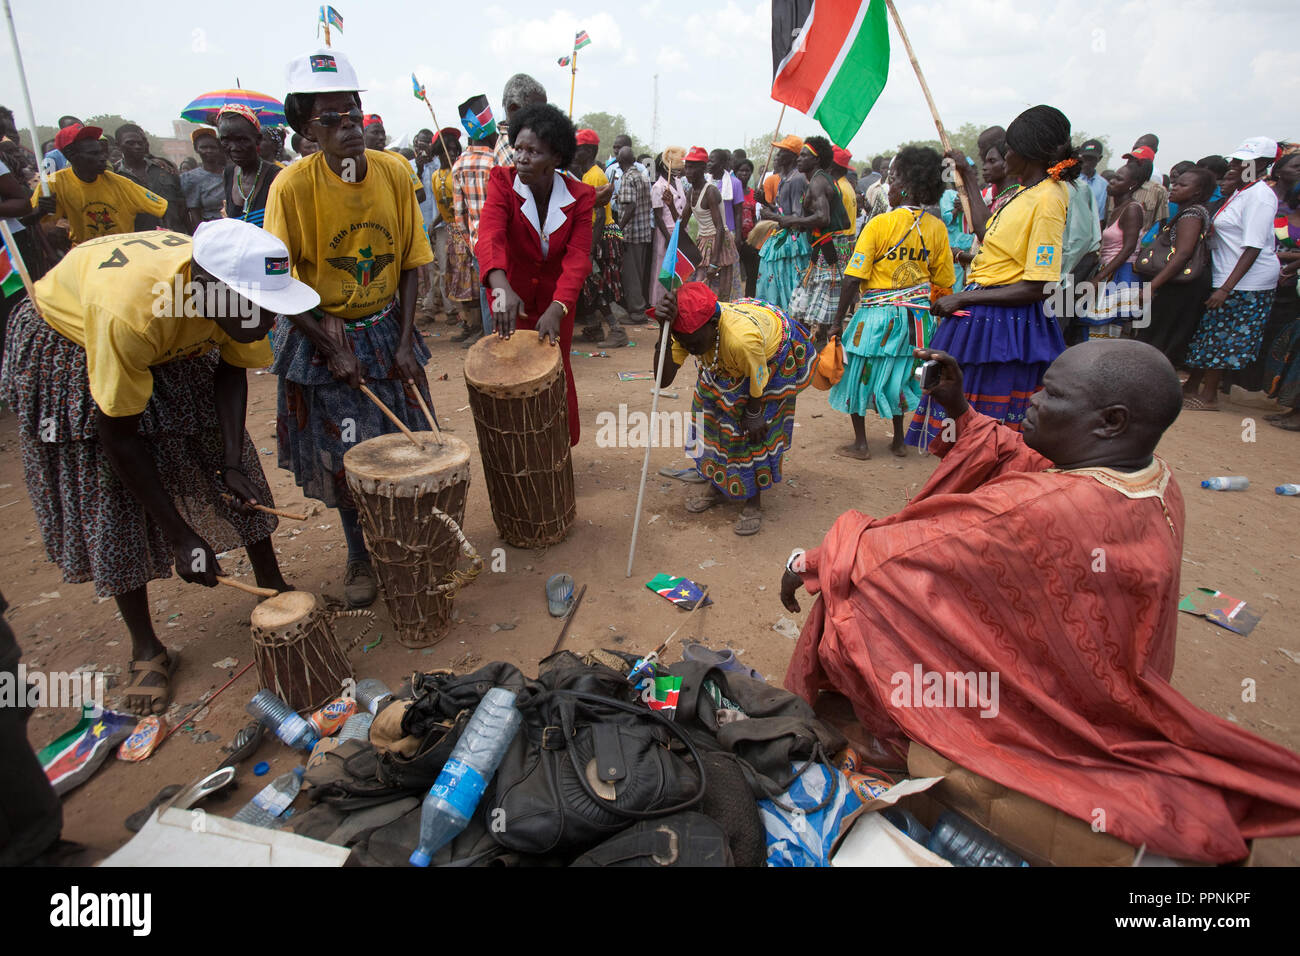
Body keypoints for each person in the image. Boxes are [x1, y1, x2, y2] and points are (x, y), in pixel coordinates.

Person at [783, 339, 1300, 864]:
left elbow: (886, 555)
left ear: (1112, 421)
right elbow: (1026, 459)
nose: (1030, 398)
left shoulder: (1039, 509)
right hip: (1112, 671)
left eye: (1051, 394)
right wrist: (961, 410)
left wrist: (805, 562)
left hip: (1068, 694)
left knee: (857, 590)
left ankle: (888, 738)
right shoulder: (1148, 474)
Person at [0, 219, 311, 714]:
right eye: (260, 307)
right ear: (209, 290)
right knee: (115, 494)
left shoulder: (239, 305)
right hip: (77, 337)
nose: (269, 321)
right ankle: (146, 646)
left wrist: (229, 460)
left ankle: (271, 585)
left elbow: (232, 370)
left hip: (174, 334)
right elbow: (118, 438)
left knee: (238, 469)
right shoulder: (131, 314)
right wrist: (181, 536)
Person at [266, 47, 438, 607]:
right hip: (327, 334)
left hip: (390, 325)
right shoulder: (290, 189)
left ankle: (418, 541)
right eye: (331, 120)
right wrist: (326, 344)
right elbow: (275, 283)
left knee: (414, 443)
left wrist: (408, 338)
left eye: (354, 115)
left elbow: (412, 259)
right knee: (350, 458)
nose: (348, 129)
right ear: (305, 130)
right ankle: (359, 553)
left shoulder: (393, 171)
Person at [907, 105, 1076, 443]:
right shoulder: (1020, 193)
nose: (1004, 155)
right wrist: (968, 175)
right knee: (960, 413)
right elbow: (987, 231)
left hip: (1008, 328)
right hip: (984, 314)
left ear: (1025, 154)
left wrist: (962, 296)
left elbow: (1039, 286)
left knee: (989, 424)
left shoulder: (1048, 199)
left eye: (1008, 149)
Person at [652, 282, 814, 536]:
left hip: (768, 360)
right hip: (724, 360)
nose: (688, 347)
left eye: (692, 341)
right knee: (709, 420)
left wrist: (753, 413)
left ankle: (753, 501)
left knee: (751, 433)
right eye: (682, 340)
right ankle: (717, 486)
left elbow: (758, 376)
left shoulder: (741, 340)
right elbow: (663, 379)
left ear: (714, 325)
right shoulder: (687, 333)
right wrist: (664, 333)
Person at [477, 102, 595, 447]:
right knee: (509, 371)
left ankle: (554, 448)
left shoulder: (580, 197)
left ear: (556, 157)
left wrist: (558, 309)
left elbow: (577, 259)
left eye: (533, 151)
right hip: (507, 295)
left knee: (553, 370)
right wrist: (500, 288)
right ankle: (514, 449)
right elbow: (490, 235)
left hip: (557, 301)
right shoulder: (501, 183)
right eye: (519, 148)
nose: (522, 158)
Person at [829, 147, 954, 460]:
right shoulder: (937, 228)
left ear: (907, 186)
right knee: (900, 375)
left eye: (894, 179)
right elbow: (943, 283)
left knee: (857, 374)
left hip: (877, 318)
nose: (888, 185)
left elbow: (852, 278)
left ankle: (860, 444)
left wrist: (836, 320)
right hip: (916, 322)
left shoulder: (879, 225)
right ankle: (899, 441)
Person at [1182, 138, 1280, 411]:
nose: (1234, 166)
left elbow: (1253, 247)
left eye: (1242, 162)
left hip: (1247, 281)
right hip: (1227, 274)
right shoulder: (1241, 191)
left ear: (1261, 165)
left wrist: (1226, 288)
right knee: (1211, 332)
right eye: (1234, 161)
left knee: (1227, 336)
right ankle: (1193, 385)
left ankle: (1209, 395)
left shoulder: (1260, 196)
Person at [29, 123, 168, 245]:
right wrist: (39, 212)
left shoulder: (122, 184)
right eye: (94, 154)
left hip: (124, 253)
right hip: (86, 256)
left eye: (102, 152)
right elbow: (27, 222)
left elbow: (163, 209)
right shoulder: (52, 184)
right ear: (70, 155)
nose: (103, 158)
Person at [1232, 150, 1300, 395]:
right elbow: (1257, 242)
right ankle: (1241, 382)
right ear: (1278, 170)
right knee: (1253, 329)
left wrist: (1289, 262)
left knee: (1280, 334)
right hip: (1259, 276)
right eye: (1296, 165)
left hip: (1289, 285)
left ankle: (1265, 386)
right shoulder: (1263, 197)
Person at [1135, 166, 1217, 366]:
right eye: (1175, 183)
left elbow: (1182, 254)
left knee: (1159, 335)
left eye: (1182, 185)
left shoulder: (1191, 215)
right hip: (1183, 283)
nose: (1174, 187)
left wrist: (1153, 286)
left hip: (1179, 284)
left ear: (1197, 191)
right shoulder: (1194, 213)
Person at [773, 137, 848, 348]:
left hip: (828, 250)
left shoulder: (818, 182)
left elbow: (823, 218)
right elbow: (843, 220)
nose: (799, 158)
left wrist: (793, 220)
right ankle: (813, 350)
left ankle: (822, 356)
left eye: (805, 155)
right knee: (807, 305)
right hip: (825, 248)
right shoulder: (822, 179)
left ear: (816, 160)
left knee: (822, 312)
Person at [450, 94, 499, 346]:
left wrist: (470, 244)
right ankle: (508, 342)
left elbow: (459, 215)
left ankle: (491, 343)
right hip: (503, 238)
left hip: (479, 241)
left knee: (486, 292)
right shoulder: (496, 161)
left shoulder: (458, 165)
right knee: (505, 290)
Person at [1083, 159, 1147, 339]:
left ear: (1132, 184)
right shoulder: (1118, 207)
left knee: (1109, 326)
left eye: (1119, 179)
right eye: (1113, 178)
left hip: (1121, 273)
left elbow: (1128, 248)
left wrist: (1100, 277)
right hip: (1110, 270)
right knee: (1097, 326)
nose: (1111, 181)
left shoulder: (1132, 209)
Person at [571, 128, 622, 347]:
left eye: (578, 148)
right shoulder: (587, 174)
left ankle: (616, 330)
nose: (573, 152)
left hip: (600, 238)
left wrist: (590, 249)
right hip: (596, 236)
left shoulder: (594, 175)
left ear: (590, 150)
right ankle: (596, 328)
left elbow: (600, 214)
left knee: (597, 284)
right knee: (591, 285)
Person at [755, 135, 811, 313]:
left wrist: (770, 214)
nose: (777, 156)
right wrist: (766, 202)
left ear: (793, 156)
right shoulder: (784, 178)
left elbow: (795, 218)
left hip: (791, 242)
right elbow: (782, 211)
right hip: (783, 239)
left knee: (788, 287)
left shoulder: (796, 180)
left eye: (782, 152)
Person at [681, 146, 739, 302]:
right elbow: (682, 223)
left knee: (719, 294)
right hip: (704, 241)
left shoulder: (710, 191)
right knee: (700, 289)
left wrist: (714, 263)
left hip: (719, 244)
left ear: (702, 168)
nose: (687, 171)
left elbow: (719, 227)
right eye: (686, 167)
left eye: (692, 167)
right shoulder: (691, 192)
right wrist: (669, 204)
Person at [217, 104, 281, 228]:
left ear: (258, 139)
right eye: (226, 140)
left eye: (242, 140)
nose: (234, 148)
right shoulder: (228, 173)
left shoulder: (277, 176)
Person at [113, 124, 186, 233]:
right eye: (130, 143)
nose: (137, 146)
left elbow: (182, 204)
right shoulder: (115, 176)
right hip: (138, 240)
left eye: (140, 143)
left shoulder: (164, 169)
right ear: (118, 145)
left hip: (174, 237)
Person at [615, 144, 653, 324]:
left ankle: (637, 312)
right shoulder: (642, 177)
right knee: (638, 273)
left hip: (631, 234)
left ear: (619, 161)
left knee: (631, 275)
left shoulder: (628, 177)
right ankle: (638, 309)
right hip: (643, 233)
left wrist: (618, 229)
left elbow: (630, 206)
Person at [650, 147, 687, 307]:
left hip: (680, 229)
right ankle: (658, 303)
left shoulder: (678, 182)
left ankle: (676, 302)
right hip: (666, 232)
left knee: (678, 268)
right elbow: (658, 216)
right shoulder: (658, 187)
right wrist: (667, 237)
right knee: (662, 268)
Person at [1109, 146, 1168, 233]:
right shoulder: (1116, 187)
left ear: (1148, 165)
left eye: (1136, 162)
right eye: (1129, 160)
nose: (1131, 164)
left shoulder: (1158, 190)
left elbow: (1161, 223)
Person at [496, 73, 547, 167]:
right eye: (536, 111)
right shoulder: (512, 149)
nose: (542, 117)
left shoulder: (519, 142)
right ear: (514, 109)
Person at [181, 127, 227, 228]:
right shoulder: (191, 178)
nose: (209, 150)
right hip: (211, 229)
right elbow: (194, 213)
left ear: (219, 149)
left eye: (212, 147)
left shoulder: (231, 172)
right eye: (204, 147)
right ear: (196, 149)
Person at [734, 158, 760, 298]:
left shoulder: (753, 193)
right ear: (736, 172)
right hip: (735, 237)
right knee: (734, 273)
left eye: (747, 170)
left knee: (752, 273)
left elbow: (754, 215)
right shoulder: (730, 191)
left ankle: (749, 300)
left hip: (750, 238)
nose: (744, 173)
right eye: (741, 170)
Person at [1077, 138, 1108, 222]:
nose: (1087, 163)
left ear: (1099, 158)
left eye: (1091, 159)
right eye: (1085, 158)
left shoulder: (1103, 185)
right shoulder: (1069, 179)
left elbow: (1100, 217)